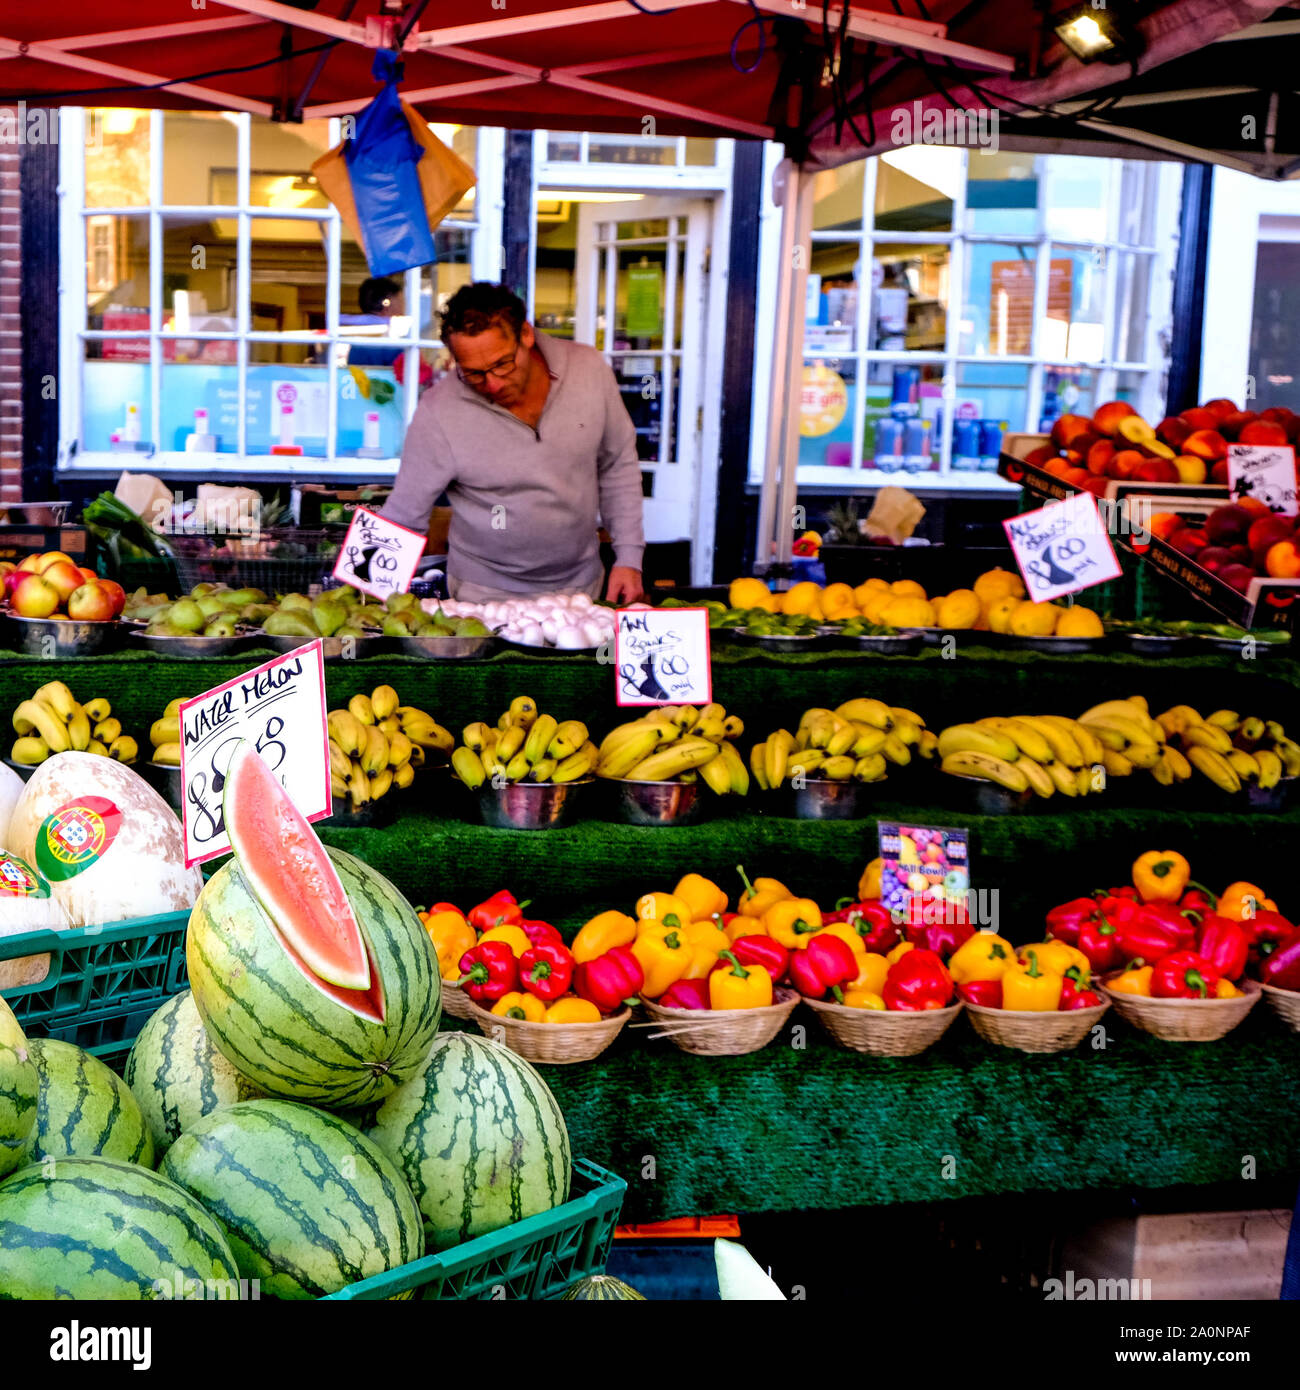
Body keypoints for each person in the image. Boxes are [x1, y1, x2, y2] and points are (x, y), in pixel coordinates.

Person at [382, 281, 644, 603]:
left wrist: (629, 558)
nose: (492, 384)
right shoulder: (438, 412)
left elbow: (617, 465)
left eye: (502, 364)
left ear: (526, 335)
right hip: (481, 596)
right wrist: (367, 597)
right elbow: (404, 514)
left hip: (582, 588)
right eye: (474, 374)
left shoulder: (589, 371)